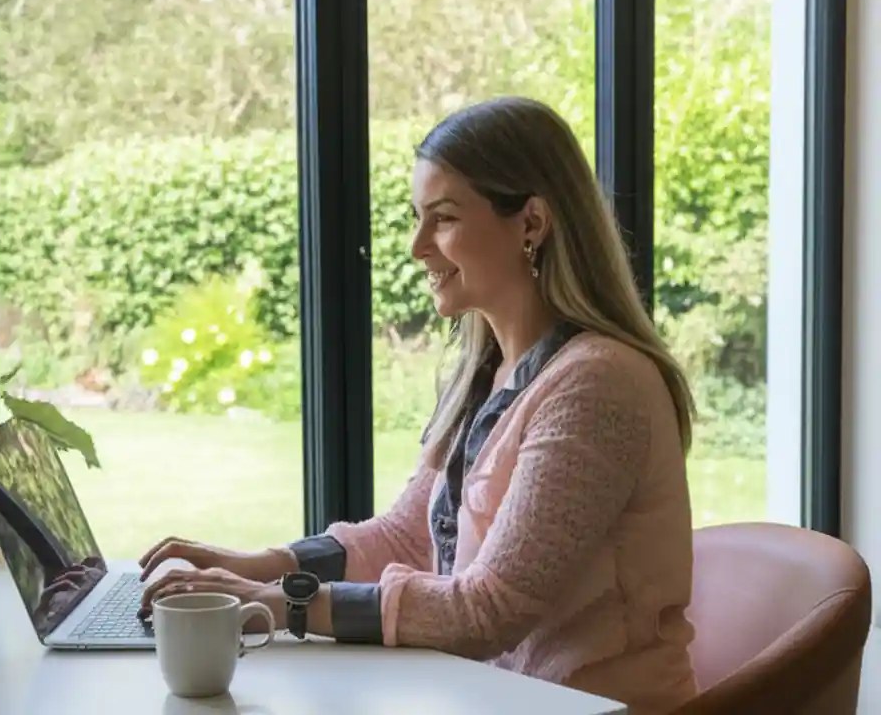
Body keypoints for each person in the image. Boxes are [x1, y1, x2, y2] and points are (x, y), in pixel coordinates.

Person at [137, 96, 699, 713]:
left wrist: (286, 603)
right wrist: (265, 564)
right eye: (418, 217)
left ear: (532, 224)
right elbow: (409, 536)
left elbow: (489, 610)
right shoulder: (490, 368)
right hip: (490, 697)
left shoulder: (598, 386)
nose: (417, 247)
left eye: (445, 219)